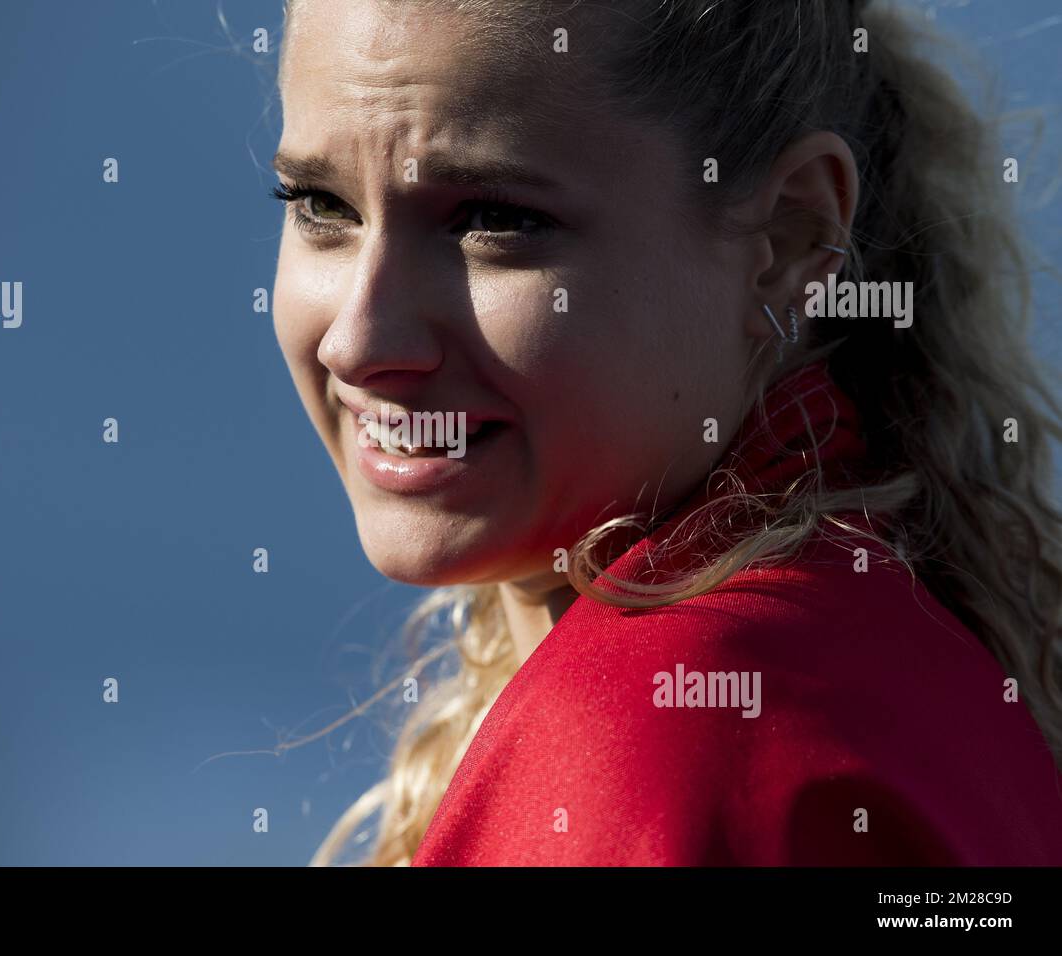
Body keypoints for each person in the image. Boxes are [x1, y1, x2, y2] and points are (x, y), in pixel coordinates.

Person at [267, 0, 1062, 865]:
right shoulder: (906, 651)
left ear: (790, 239)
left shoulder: (671, 731)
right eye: (319, 204)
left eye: (493, 219)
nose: (360, 340)